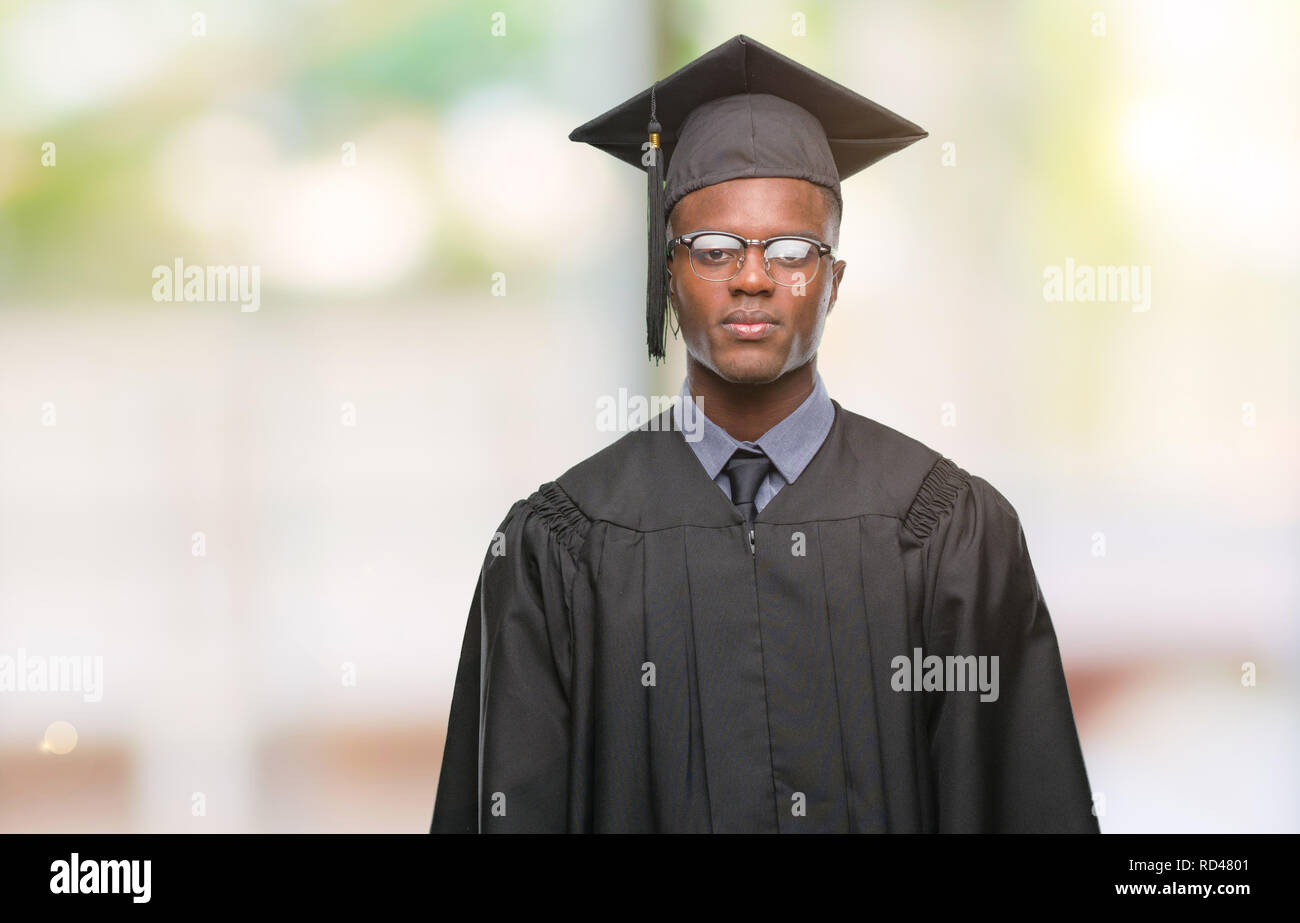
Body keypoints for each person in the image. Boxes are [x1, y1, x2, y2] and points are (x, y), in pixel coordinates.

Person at [430, 34, 1100, 833]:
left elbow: (1027, 809)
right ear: (667, 277)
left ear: (835, 280)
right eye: (714, 249)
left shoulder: (952, 534)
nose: (752, 276)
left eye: (792, 250)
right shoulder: (557, 551)